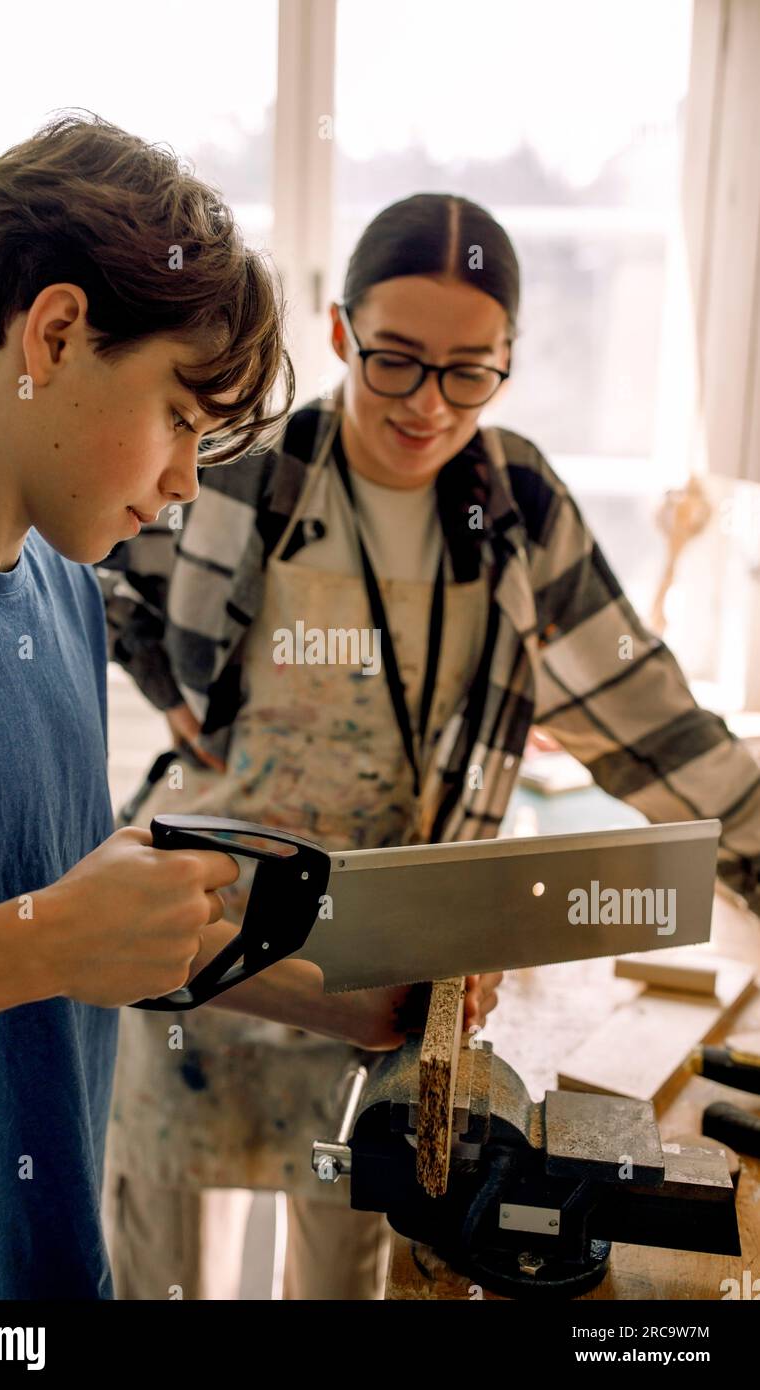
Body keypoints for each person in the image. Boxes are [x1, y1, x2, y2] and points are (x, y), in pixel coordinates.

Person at [102, 188, 760, 1302]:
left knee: (348, 1260)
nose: (426, 404)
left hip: (386, 979)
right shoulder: (244, 468)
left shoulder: (517, 509)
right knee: (158, 1269)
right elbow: (104, 572)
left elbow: (655, 726)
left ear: (507, 361)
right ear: (340, 332)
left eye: (469, 371)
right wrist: (173, 691)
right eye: (394, 360)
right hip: (206, 957)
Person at [0, 113, 422, 1301]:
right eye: (179, 418)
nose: (184, 482)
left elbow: (71, 919)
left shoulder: (61, 594)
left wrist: (342, 995)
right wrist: (42, 940)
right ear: (57, 333)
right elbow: (43, 938)